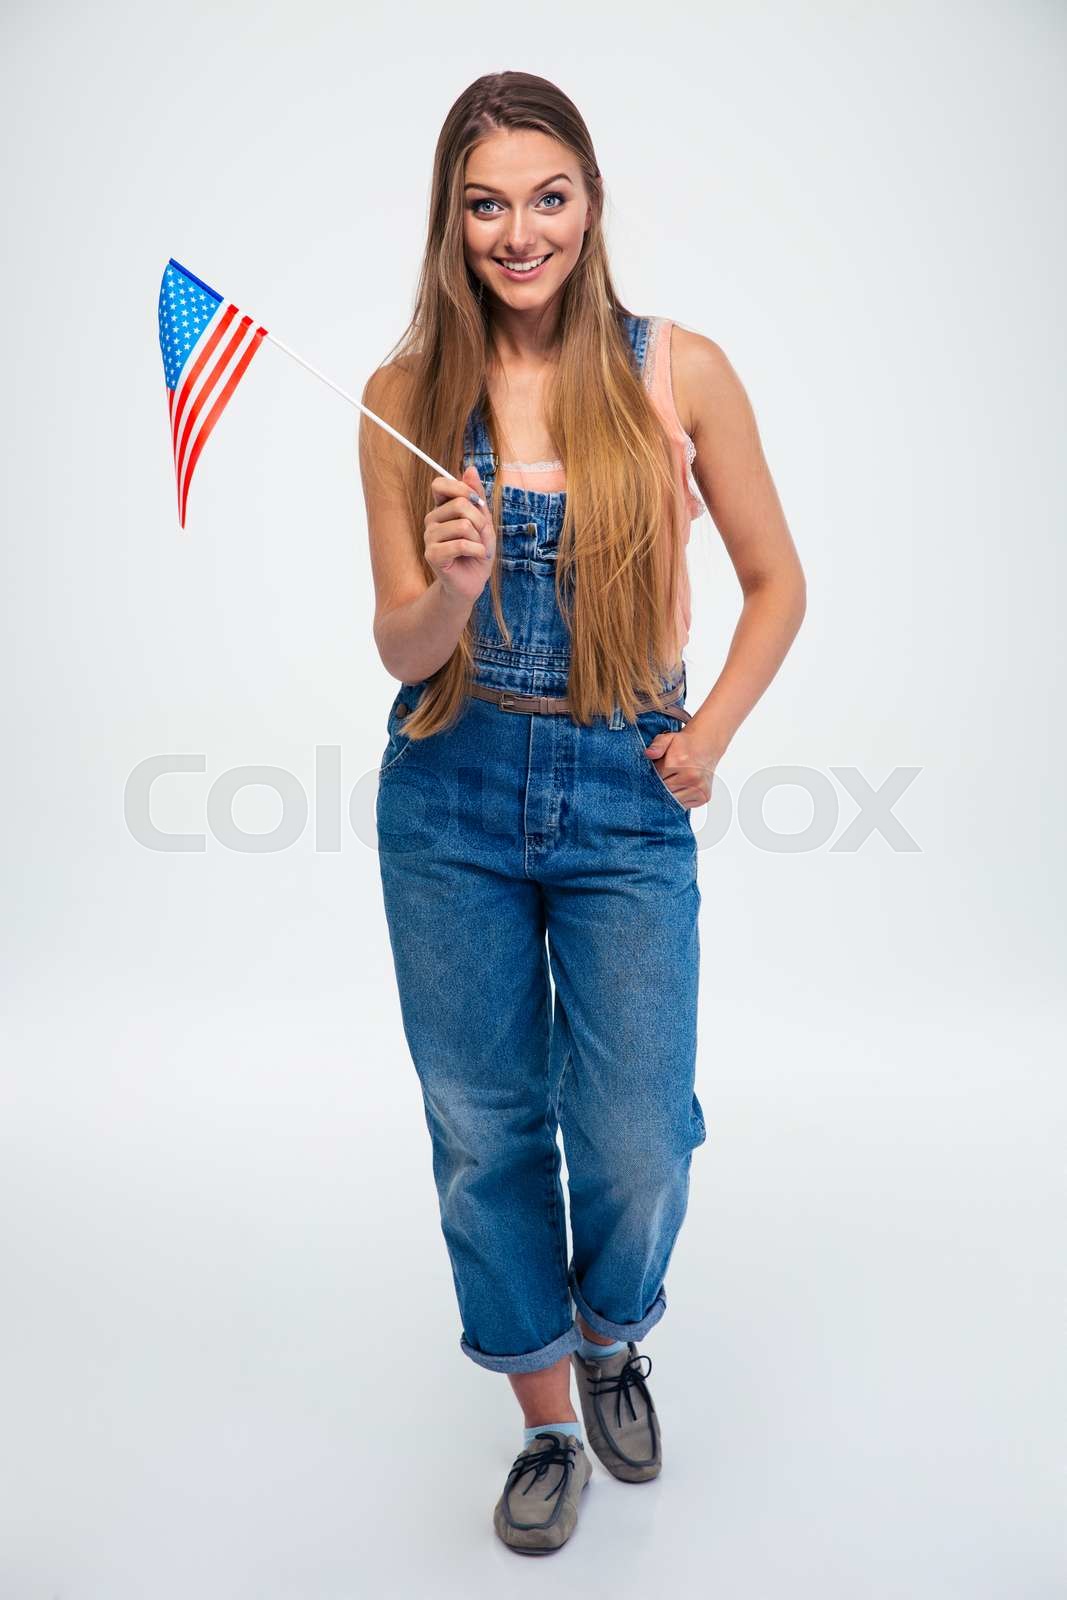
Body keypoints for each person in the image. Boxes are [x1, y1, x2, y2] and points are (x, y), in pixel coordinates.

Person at [358, 70, 806, 1555]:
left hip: (625, 784)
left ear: (592, 200)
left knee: (631, 1130)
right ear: (452, 218)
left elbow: (774, 580)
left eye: (547, 195)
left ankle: (615, 1332)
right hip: (453, 785)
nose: (518, 229)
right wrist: (456, 591)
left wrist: (715, 733)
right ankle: (549, 1417)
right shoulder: (402, 399)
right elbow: (399, 647)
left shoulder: (677, 369)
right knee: (485, 1125)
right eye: (486, 202)